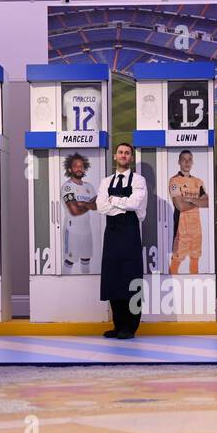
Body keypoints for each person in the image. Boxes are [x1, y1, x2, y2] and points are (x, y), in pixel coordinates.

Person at [96, 142, 146, 339]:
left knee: (131, 281)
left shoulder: (139, 180)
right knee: (113, 280)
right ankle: (118, 326)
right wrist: (122, 205)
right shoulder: (105, 182)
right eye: (120, 152)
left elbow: (135, 203)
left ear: (131, 158)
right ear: (115, 157)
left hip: (130, 234)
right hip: (112, 236)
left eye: (127, 153)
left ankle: (130, 327)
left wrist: (113, 201)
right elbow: (101, 207)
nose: (124, 155)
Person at [167, 149, 208, 275]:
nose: (187, 162)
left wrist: (189, 199)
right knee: (176, 261)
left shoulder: (198, 182)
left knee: (195, 260)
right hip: (181, 228)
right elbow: (180, 206)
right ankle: (171, 289)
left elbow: (206, 203)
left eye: (189, 159)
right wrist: (197, 201)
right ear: (179, 162)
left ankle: (194, 290)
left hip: (196, 229)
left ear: (192, 162)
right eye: (184, 159)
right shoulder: (174, 181)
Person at [61, 152, 97, 274]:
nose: (79, 168)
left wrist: (82, 203)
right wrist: (89, 204)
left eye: (81, 166)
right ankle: (64, 286)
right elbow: (74, 211)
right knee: (69, 261)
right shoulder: (67, 187)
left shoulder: (89, 187)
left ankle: (85, 288)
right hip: (72, 231)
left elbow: (97, 205)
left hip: (87, 230)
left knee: (86, 260)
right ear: (70, 169)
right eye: (76, 166)